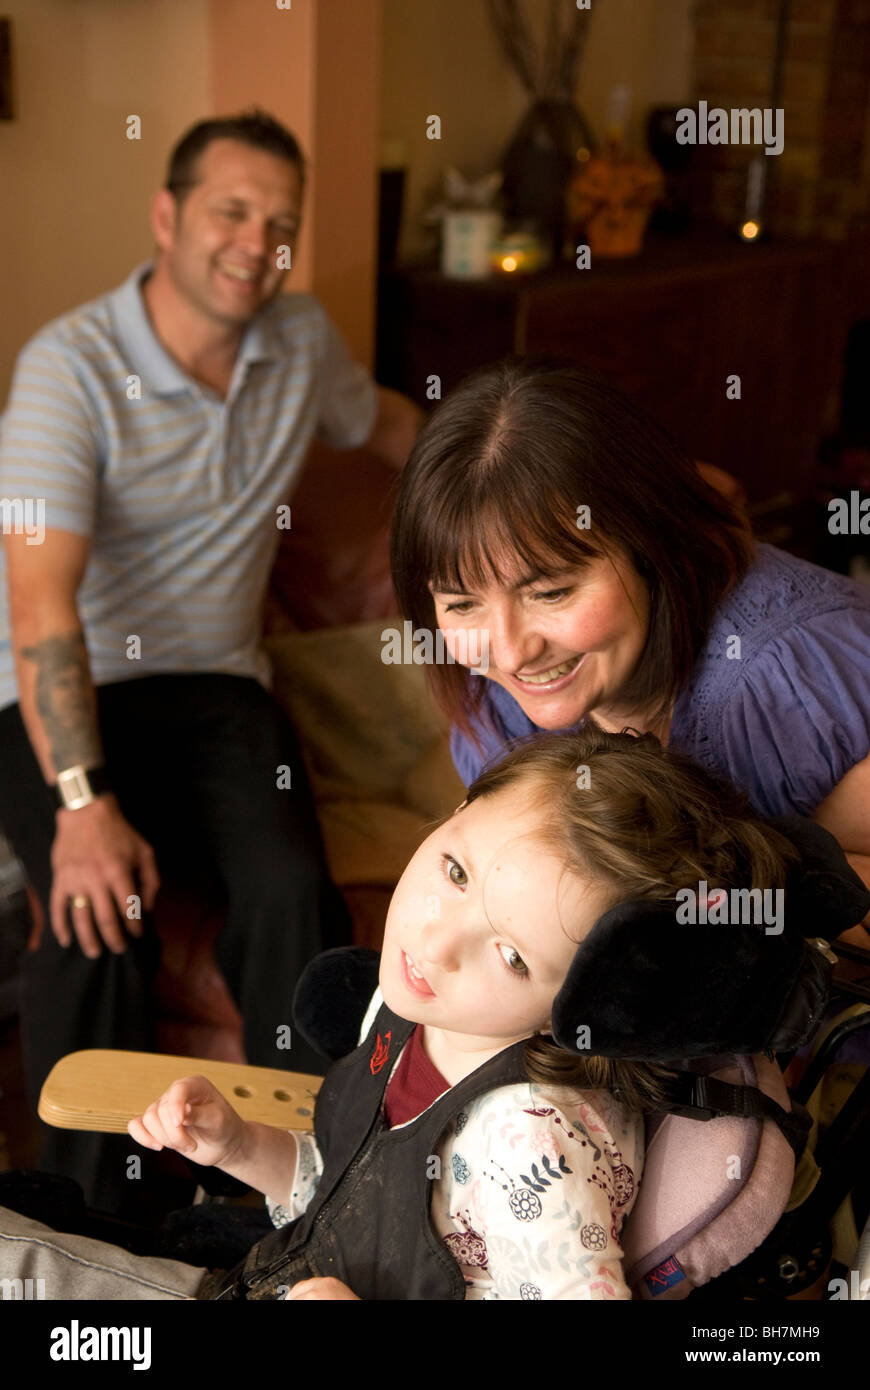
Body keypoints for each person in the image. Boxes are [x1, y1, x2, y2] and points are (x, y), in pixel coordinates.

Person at [0, 724, 842, 1301]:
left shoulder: (530, 1141)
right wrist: (241, 1147)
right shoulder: (410, 1015)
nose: (437, 943)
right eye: (456, 871)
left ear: (581, 1005)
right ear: (452, 813)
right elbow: (351, 1200)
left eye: (512, 956)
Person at [0, 108, 423, 1215]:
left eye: (281, 223)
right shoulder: (70, 367)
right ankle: (85, 1227)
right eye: (232, 211)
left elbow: (380, 423)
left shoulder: (299, 342)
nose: (258, 242)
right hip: (64, 692)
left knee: (290, 891)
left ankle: (290, 1201)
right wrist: (82, 805)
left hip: (221, 690)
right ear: (168, 216)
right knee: (100, 916)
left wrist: (508, 454)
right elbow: (42, 609)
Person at [389, 355, 870, 943]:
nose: (511, 653)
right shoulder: (497, 704)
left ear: (651, 548)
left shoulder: (790, 683)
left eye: (551, 592)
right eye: (462, 604)